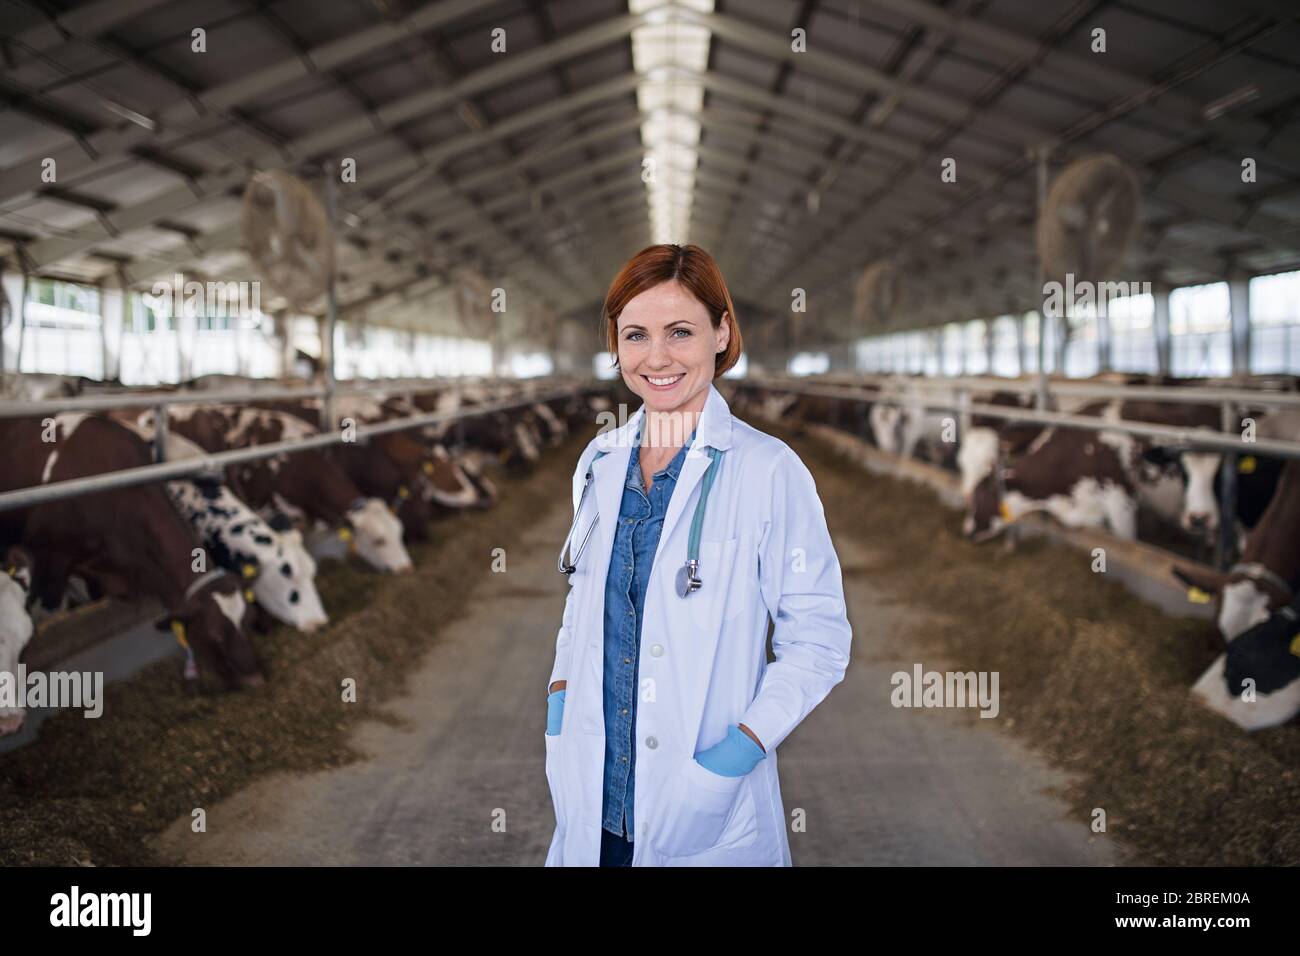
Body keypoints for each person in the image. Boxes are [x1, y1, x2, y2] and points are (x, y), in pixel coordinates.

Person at [544, 243, 852, 866]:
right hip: (591, 793)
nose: (656, 358)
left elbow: (820, 640)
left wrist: (733, 755)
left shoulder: (768, 470)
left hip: (704, 800)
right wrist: (559, 705)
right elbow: (583, 601)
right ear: (616, 346)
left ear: (722, 332)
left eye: (680, 332)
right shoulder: (599, 464)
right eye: (635, 335)